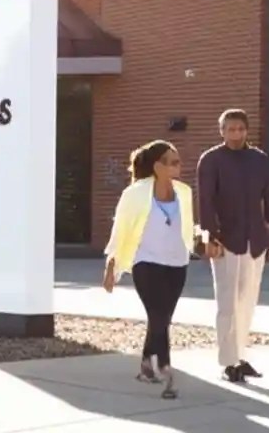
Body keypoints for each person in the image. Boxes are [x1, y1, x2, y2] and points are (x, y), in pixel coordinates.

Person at [102, 139, 196, 400]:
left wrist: (202, 242)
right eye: (173, 162)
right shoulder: (135, 194)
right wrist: (112, 265)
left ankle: (146, 365)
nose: (179, 166)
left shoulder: (184, 193)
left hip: (177, 263)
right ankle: (165, 368)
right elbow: (120, 230)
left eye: (178, 161)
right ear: (158, 166)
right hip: (146, 262)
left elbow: (187, 226)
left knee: (162, 318)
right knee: (157, 315)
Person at [196, 108, 269, 384]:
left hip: (256, 241)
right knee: (227, 303)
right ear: (221, 131)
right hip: (225, 241)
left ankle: (241, 356)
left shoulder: (259, 160)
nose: (235, 134)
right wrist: (209, 238)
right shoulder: (210, 160)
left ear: (247, 130)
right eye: (230, 129)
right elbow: (205, 202)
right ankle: (227, 362)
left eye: (240, 129)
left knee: (247, 301)